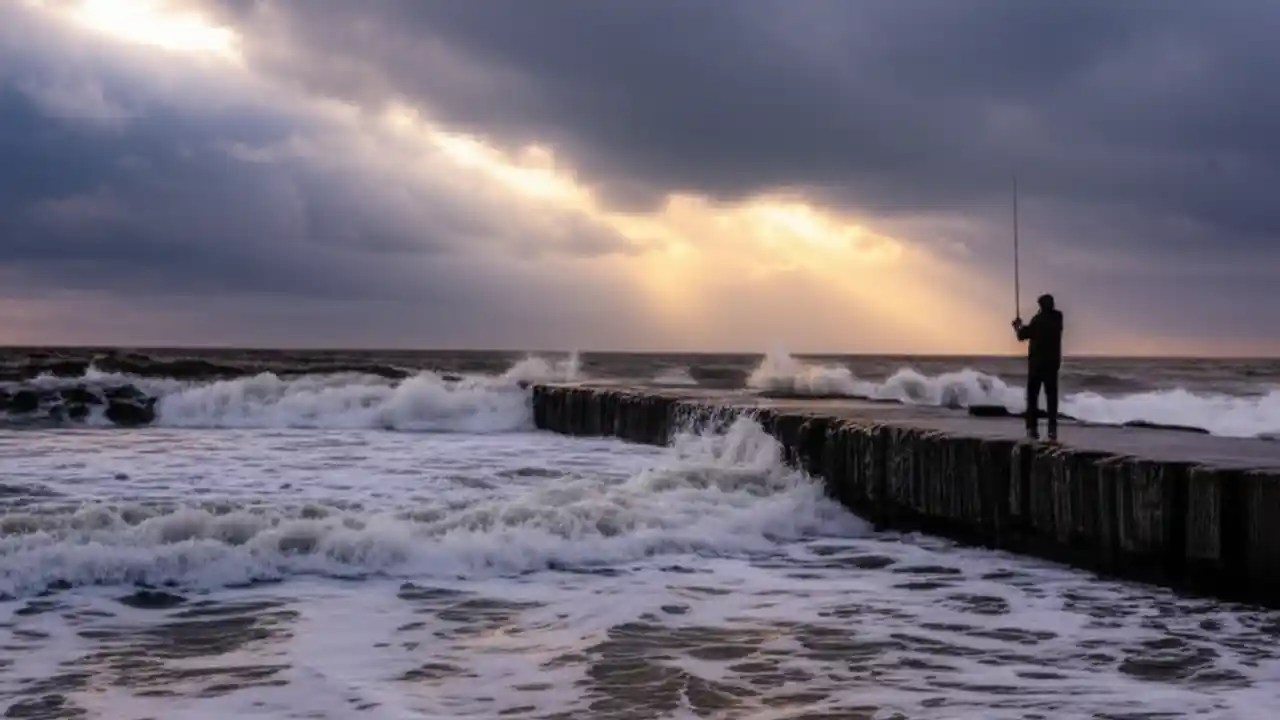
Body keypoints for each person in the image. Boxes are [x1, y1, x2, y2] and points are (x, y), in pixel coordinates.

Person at [1013, 294, 1064, 441]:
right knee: (1052, 398)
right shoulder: (1058, 318)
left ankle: (1032, 428)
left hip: (1036, 365)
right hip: (1052, 365)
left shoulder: (1038, 320)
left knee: (1032, 397)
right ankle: (1052, 430)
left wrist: (1018, 326)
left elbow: (1022, 335)